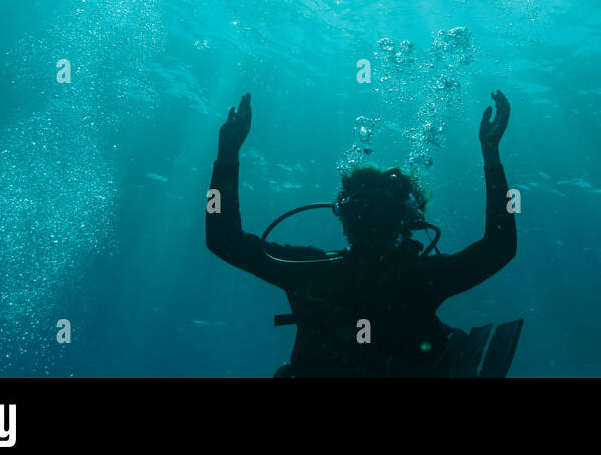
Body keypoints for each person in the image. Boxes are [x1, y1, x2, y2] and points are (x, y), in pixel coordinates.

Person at [207, 90, 519, 377]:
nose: (370, 222)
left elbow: (224, 240)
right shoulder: (420, 278)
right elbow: (499, 247)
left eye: (375, 211)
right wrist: (492, 158)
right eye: (365, 211)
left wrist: (226, 158)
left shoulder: (312, 272)